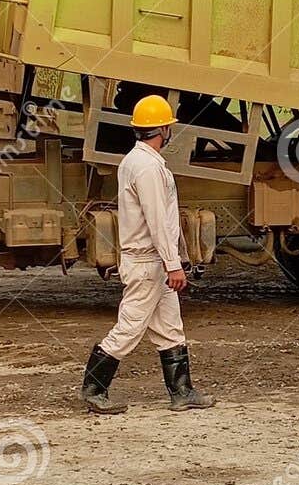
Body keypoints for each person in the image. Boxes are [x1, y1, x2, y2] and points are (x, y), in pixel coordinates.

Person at [80, 94, 216, 414]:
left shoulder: (136, 160)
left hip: (150, 260)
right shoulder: (148, 167)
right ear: (163, 130)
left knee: (170, 328)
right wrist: (174, 265)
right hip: (148, 262)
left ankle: (182, 392)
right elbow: (157, 220)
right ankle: (93, 388)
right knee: (129, 327)